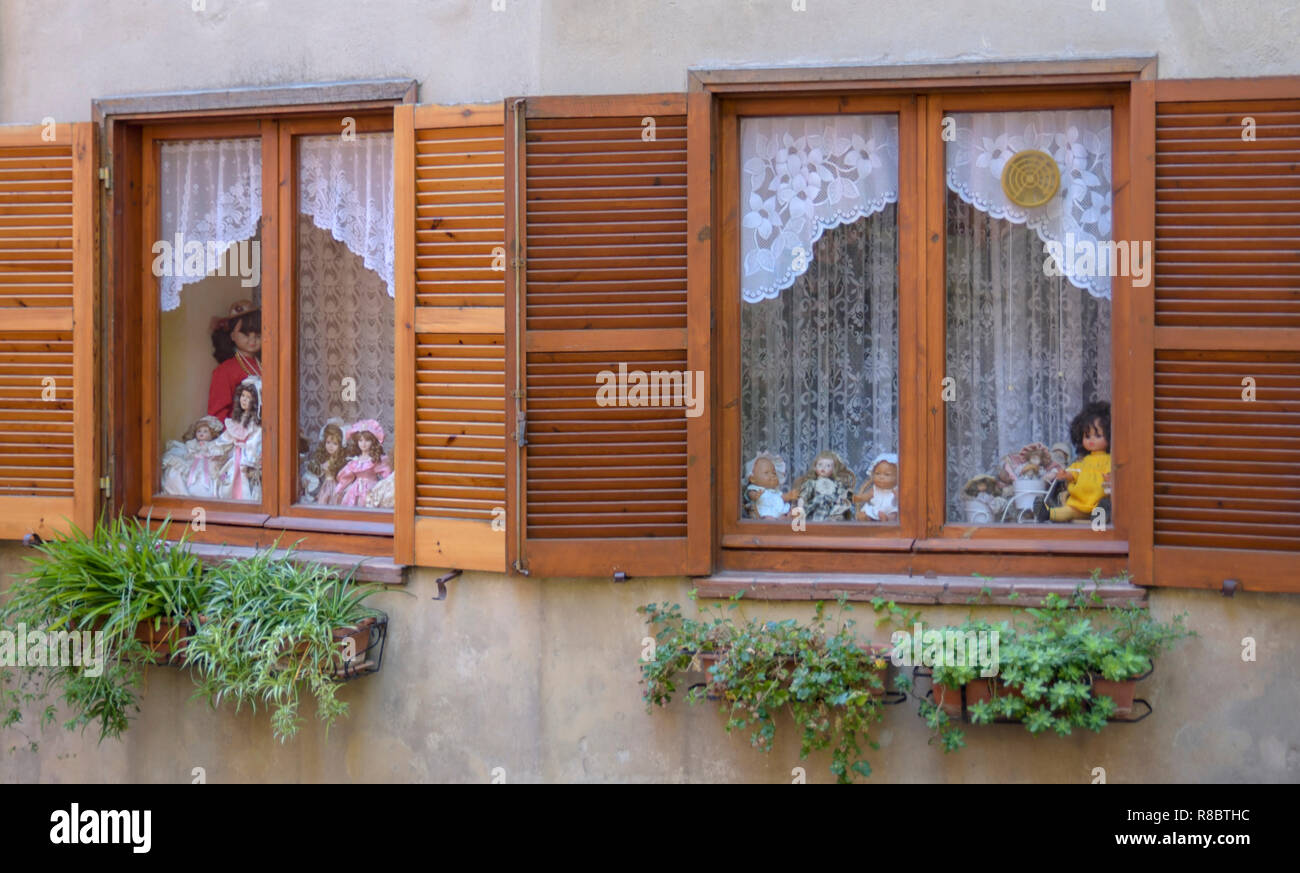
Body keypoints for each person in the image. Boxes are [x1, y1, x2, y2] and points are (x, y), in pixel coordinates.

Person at [207, 299, 262, 421]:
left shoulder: (264, 365)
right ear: (232, 335)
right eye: (246, 335)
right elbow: (217, 413)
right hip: (240, 433)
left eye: (258, 336)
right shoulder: (225, 370)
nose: (252, 340)